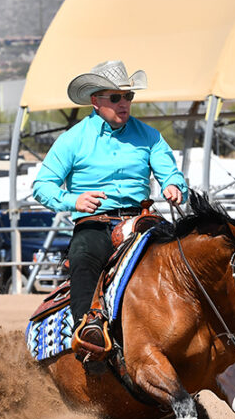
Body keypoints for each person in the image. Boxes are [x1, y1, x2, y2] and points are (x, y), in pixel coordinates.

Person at [32, 60, 187, 364]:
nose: (123, 103)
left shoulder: (150, 136)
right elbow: (42, 186)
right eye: (115, 97)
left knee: (184, 253)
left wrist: (172, 185)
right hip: (96, 224)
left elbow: (170, 172)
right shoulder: (74, 139)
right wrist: (73, 201)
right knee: (84, 255)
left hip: (141, 220)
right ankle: (89, 332)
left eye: (127, 97)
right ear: (96, 101)